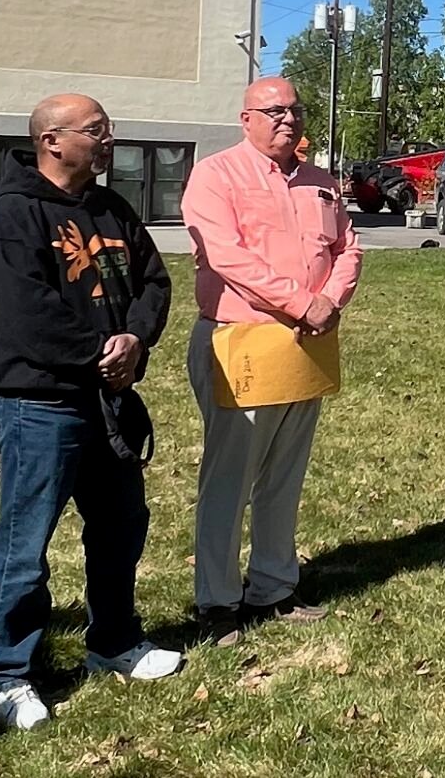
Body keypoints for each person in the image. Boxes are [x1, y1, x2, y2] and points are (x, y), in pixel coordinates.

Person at [0, 95, 179, 731]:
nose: (109, 139)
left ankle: (113, 640)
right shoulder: (14, 216)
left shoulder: (112, 209)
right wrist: (100, 353)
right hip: (41, 403)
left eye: (108, 128)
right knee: (25, 541)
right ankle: (8, 676)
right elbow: (25, 315)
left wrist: (135, 340)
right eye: (96, 130)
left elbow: (154, 282)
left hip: (109, 402)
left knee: (121, 526)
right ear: (52, 141)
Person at [181, 77, 362, 644]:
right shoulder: (216, 175)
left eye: (296, 110)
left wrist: (329, 300)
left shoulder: (320, 182)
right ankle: (217, 601)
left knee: (285, 473)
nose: (288, 119)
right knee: (230, 479)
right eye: (275, 110)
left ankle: (274, 587)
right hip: (242, 340)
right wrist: (302, 303)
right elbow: (227, 258)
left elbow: (348, 248)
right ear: (246, 119)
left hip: (307, 343)